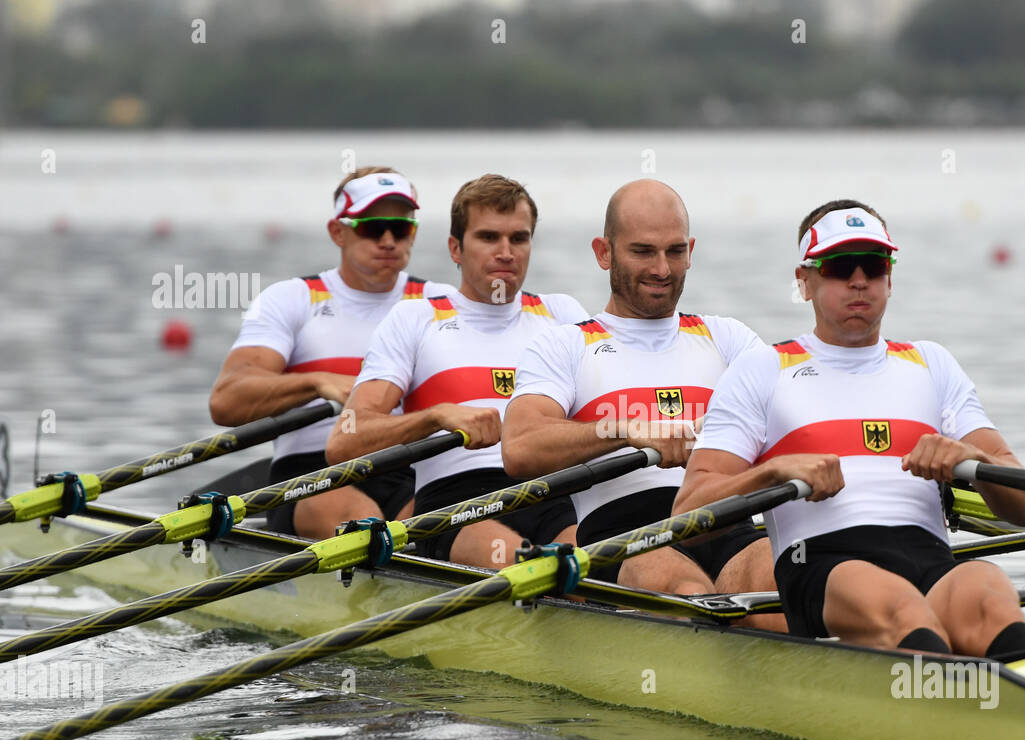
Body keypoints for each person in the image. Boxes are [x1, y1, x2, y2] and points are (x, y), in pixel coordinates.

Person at [672, 200, 1025, 658]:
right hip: (823, 565)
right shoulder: (763, 370)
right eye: (840, 266)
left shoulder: (931, 364)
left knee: (991, 591)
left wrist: (976, 462)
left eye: (873, 265)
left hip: (930, 560)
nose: (858, 281)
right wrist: (774, 472)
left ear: (889, 277)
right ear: (804, 281)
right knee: (902, 610)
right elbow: (687, 517)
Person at [502, 179, 781, 626]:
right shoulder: (565, 345)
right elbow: (519, 448)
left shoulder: (729, 339)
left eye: (674, 251)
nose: (662, 269)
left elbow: (796, 417)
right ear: (604, 252)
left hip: (726, 521)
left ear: (691, 250)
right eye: (643, 251)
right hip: (623, 536)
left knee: (784, 575)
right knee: (689, 594)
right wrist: (623, 430)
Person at [325, 174, 588, 568]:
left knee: (594, 575)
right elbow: (344, 443)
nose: (506, 252)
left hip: (551, 495)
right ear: (455, 248)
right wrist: (435, 417)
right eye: (488, 238)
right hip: (456, 505)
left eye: (519, 238)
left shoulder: (562, 315)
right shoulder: (416, 318)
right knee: (523, 566)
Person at [209, 167, 450, 539]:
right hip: (310, 478)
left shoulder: (441, 303)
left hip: (410, 469)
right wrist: (317, 382)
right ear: (338, 231)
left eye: (400, 229)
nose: (388, 240)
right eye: (372, 227)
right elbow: (226, 402)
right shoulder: (292, 299)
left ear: (412, 233)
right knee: (362, 521)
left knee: (445, 515)